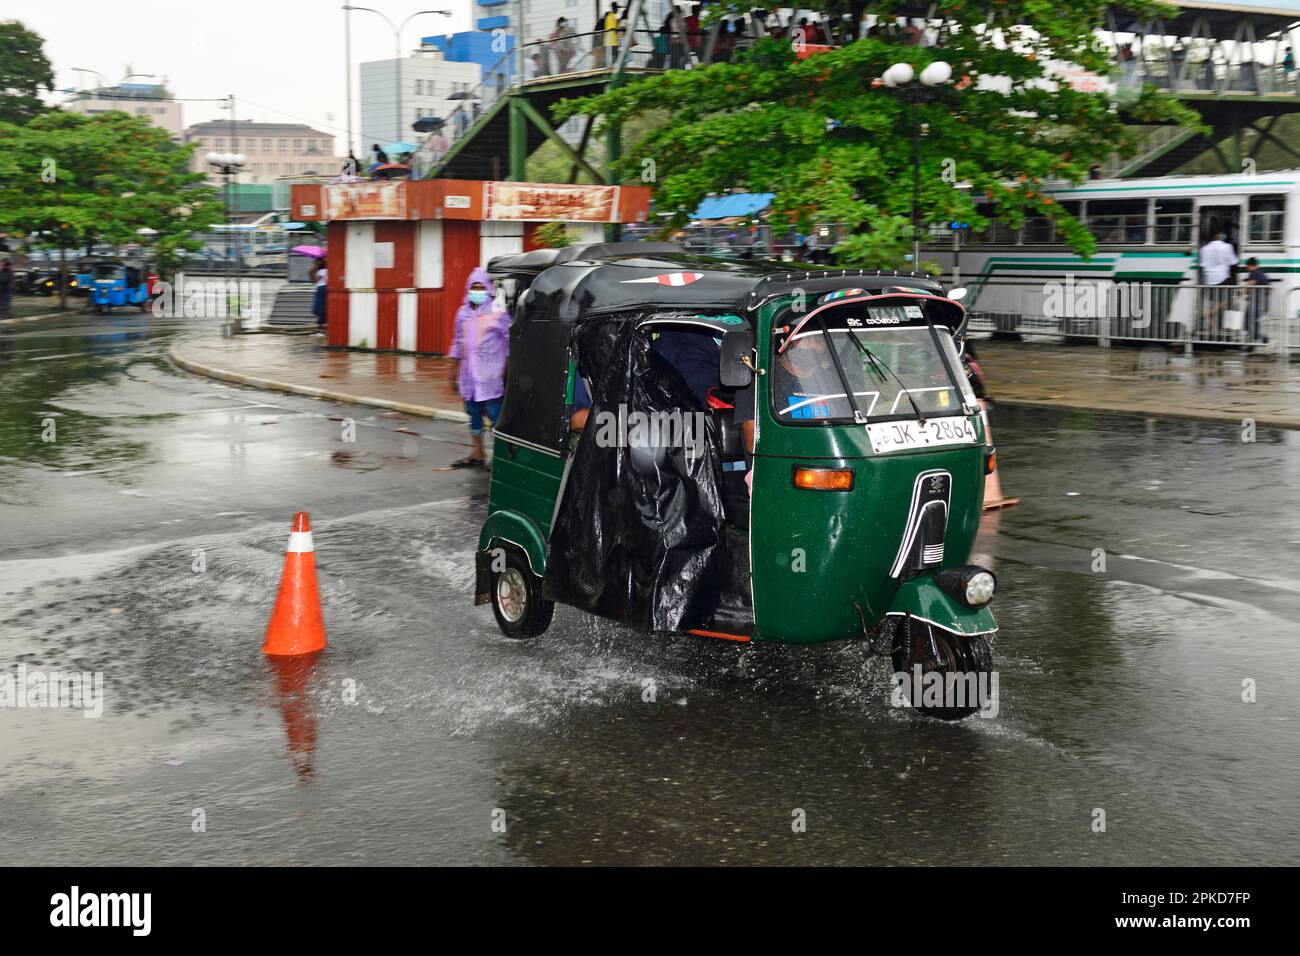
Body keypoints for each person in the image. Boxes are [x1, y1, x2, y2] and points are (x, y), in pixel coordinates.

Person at [449, 267, 509, 468]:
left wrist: (506, 371)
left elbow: (509, 342)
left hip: (491, 375)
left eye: (480, 287)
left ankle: (500, 458)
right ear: (468, 289)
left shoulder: (498, 312)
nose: (477, 291)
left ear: (488, 289)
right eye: (474, 287)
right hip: (469, 376)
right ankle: (478, 453)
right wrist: (453, 371)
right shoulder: (462, 313)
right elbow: (457, 341)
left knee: (494, 416)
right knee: (473, 413)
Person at [1199, 228, 1237, 331]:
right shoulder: (1227, 247)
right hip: (1223, 279)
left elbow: (1202, 264)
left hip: (1210, 282)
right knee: (1232, 299)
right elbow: (1233, 262)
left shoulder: (1204, 249)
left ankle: (1215, 328)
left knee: (1219, 302)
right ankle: (1211, 314)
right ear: (1220, 235)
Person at [1243, 257, 1271, 343]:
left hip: (1255, 303)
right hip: (1263, 303)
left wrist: (1243, 292)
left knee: (1248, 323)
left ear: (1250, 265)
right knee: (1253, 323)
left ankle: (1254, 343)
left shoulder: (1253, 274)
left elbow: (1248, 287)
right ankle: (1261, 340)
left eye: (1247, 266)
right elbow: (1269, 290)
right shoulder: (1263, 273)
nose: (1246, 268)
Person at [310, 257, 327, 333]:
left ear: (320, 263)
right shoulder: (324, 270)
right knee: (321, 307)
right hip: (323, 288)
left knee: (319, 307)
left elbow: (315, 281)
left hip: (321, 289)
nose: (315, 263)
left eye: (316, 262)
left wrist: (311, 271)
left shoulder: (322, 271)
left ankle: (320, 327)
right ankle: (321, 327)